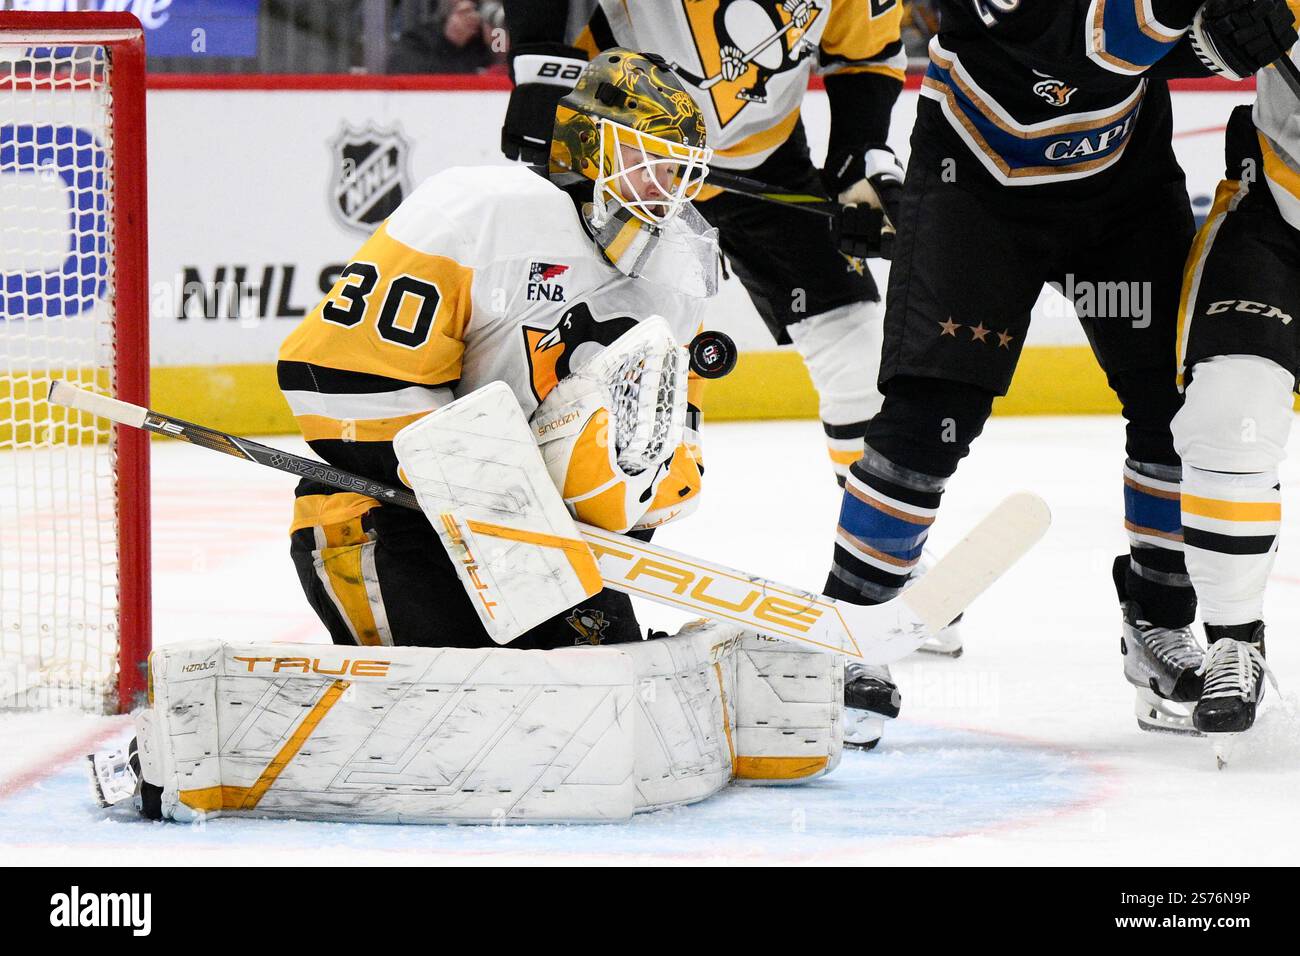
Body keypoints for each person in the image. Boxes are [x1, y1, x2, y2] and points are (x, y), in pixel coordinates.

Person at [819, 0, 1296, 735]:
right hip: (980, 178)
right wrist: (1203, 36)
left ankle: (1159, 623)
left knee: (1171, 406)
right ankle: (849, 631)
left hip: (1122, 183)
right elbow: (1085, 48)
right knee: (932, 414)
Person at [501, 0, 914, 750]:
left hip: (764, 158)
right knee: (588, 364)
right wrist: (540, 63)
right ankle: (553, 580)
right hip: (627, 149)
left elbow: (865, 49)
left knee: (860, 350)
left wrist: (859, 154)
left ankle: (879, 566)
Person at [277, 49, 715, 649]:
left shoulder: (674, 272)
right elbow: (331, 373)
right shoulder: (483, 214)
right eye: (649, 163)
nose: (666, 190)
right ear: (590, 143)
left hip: (546, 550)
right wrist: (489, 490)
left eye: (679, 170)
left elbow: (663, 424)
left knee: (597, 696)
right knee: (451, 703)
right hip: (395, 523)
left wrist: (634, 496)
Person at [1171, 0, 1300, 740]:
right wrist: (1215, 25)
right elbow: (1198, 35)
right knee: (1231, 413)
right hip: (1277, 211)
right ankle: (1233, 640)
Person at [387, 0, 507, 74]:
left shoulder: (498, 31)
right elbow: (404, 78)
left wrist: (499, 48)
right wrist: (449, 43)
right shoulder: (420, 39)